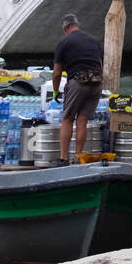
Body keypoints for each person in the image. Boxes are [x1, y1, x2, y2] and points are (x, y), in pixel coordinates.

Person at [52, 13, 104, 165]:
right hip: (96, 83)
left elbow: (56, 73)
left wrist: (56, 91)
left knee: (67, 118)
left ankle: (63, 158)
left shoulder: (64, 42)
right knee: (82, 120)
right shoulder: (94, 41)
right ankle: (78, 157)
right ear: (77, 25)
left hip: (78, 82)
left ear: (65, 29)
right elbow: (101, 65)